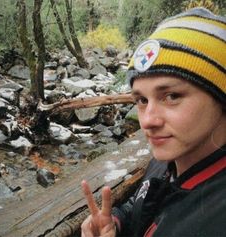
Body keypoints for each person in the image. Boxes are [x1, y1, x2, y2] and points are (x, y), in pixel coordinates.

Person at [81, 7, 226, 237]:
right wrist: (116, 222)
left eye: (172, 96)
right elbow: (145, 205)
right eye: (141, 99)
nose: (147, 121)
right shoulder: (165, 162)